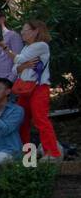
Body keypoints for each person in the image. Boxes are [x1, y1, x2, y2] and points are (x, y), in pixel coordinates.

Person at [13, 18, 61, 159]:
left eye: (25, 30)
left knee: (40, 119)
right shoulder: (26, 47)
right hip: (24, 89)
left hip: (39, 88)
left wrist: (7, 50)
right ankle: (28, 155)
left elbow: (18, 60)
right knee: (22, 121)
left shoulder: (41, 45)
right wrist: (23, 65)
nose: (22, 32)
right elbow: (15, 69)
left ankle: (52, 152)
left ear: (35, 31)